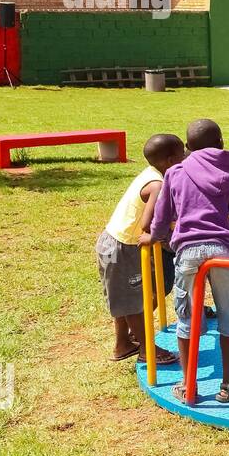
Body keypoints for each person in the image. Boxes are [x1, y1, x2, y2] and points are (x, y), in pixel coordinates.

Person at [145, 118, 229, 403]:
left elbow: (162, 215)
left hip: (188, 251)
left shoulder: (176, 172)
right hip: (220, 250)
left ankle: (188, 385)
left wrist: (155, 236)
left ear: (187, 147)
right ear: (220, 142)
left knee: (187, 318)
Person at [96, 133, 185, 365]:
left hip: (116, 242)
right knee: (133, 301)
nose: (185, 157)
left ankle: (122, 344)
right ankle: (147, 350)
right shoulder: (158, 184)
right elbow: (148, 222)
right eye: (180, 154)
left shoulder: (151, 173)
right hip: (122, 246)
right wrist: (155, 234)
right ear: (168, 160)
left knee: (126, 298)